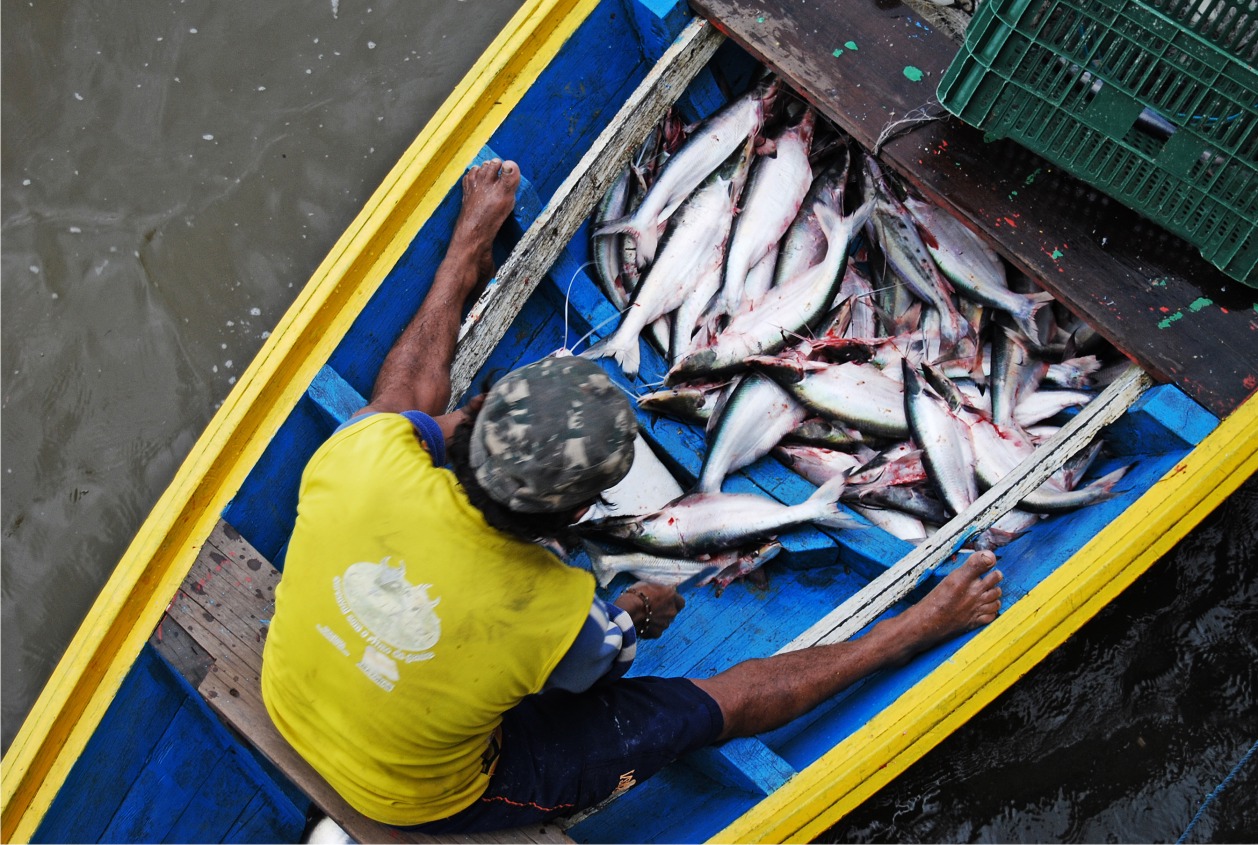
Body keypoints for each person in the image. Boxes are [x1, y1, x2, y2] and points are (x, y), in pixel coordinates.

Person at [260, 158, 1003, 834]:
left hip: (285, 695)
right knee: (715, 705)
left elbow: (407, 398)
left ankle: (464, 253)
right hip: (416, 797)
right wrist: (633, 614)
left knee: (398, 407)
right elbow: (597, 666)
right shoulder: (552, 607)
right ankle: (909, 632)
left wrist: (464, 268)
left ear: (476, 420)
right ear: (578, 514)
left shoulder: (361, 454)